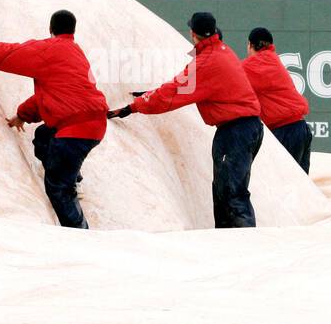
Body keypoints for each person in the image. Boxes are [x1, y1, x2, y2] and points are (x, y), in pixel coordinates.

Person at [0, 10, 106, 229]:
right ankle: (72, 178)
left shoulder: (50, 49)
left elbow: (10, 53)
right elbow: (54, 96)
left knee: (58, 188)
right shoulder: (75, 53)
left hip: (75, 129)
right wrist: (22, 115)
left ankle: (81, 236)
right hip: (94, 123)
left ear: (51, 29)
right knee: (43, 136)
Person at [111, 12, 263, 228]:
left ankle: (243, 245)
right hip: (248, 128)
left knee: (231, 192)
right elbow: (179, 87)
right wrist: (152, 92)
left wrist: (132, 107)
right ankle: (230, 243)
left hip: (235, 131)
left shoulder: (205, 62)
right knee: (226, 190)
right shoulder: (221, 51)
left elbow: (173, 92)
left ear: (193, 33)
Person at [242, 27, 312, 172]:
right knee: (301, 187)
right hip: (301, 127)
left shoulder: (251, 66)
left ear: (250, 44)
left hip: (285, 131)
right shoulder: (273, 59)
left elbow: (228, 80)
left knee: (283, 184)